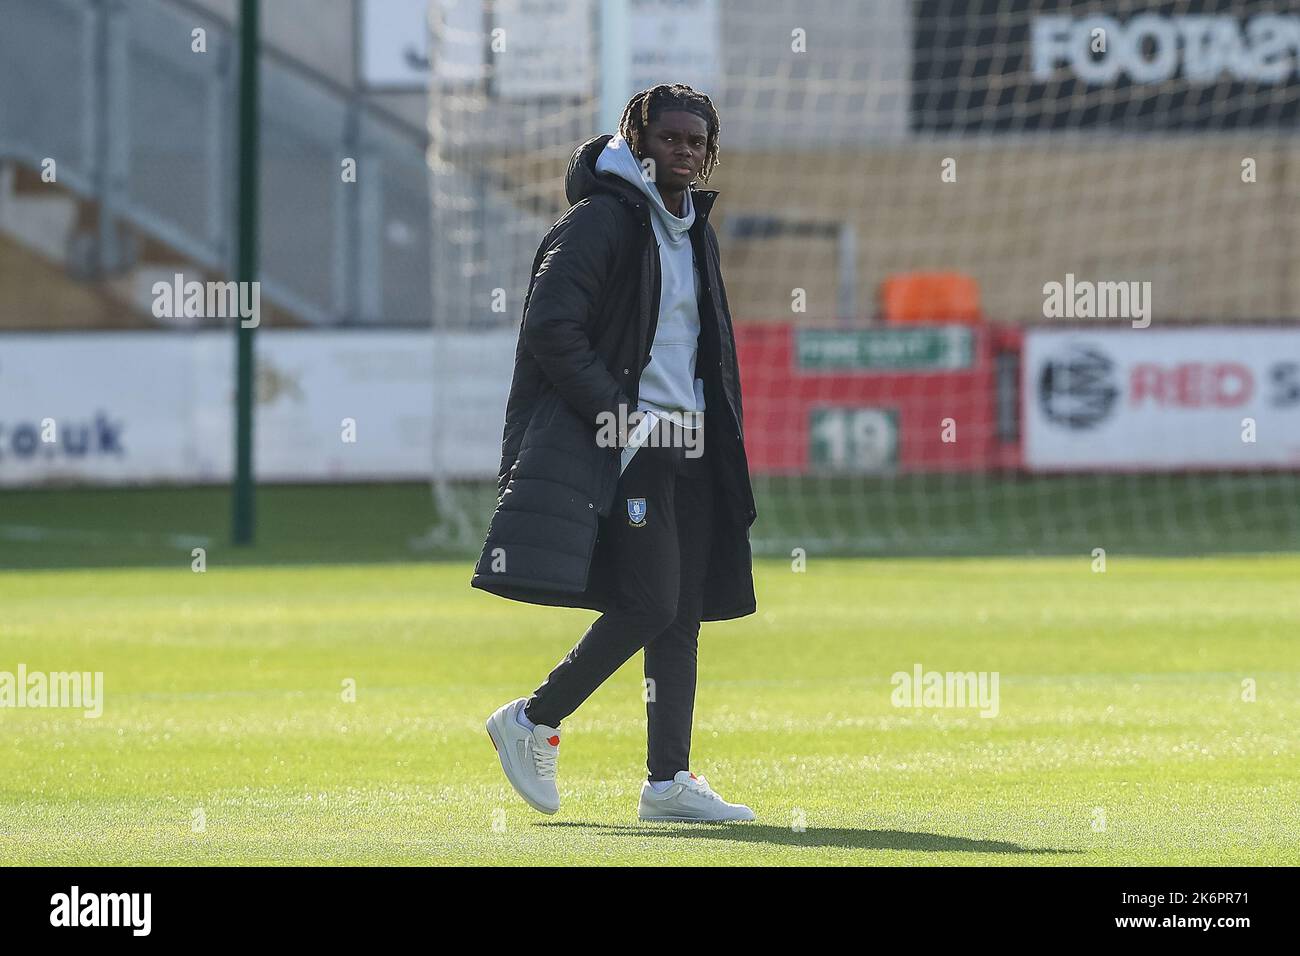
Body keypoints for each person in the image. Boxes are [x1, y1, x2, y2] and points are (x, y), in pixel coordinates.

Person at [473, 84, 758, 822]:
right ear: (637, 142)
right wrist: (623, 421)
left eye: (697, 141)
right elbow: (550, 329)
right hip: (628, 444)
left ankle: (668, 784)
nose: (685, 151)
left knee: (681, 613)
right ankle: (533, 718)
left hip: (688, 441)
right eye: (669, 138)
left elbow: (702, 347)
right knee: (649, 603)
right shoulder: (599, 221)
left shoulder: (695, 225)